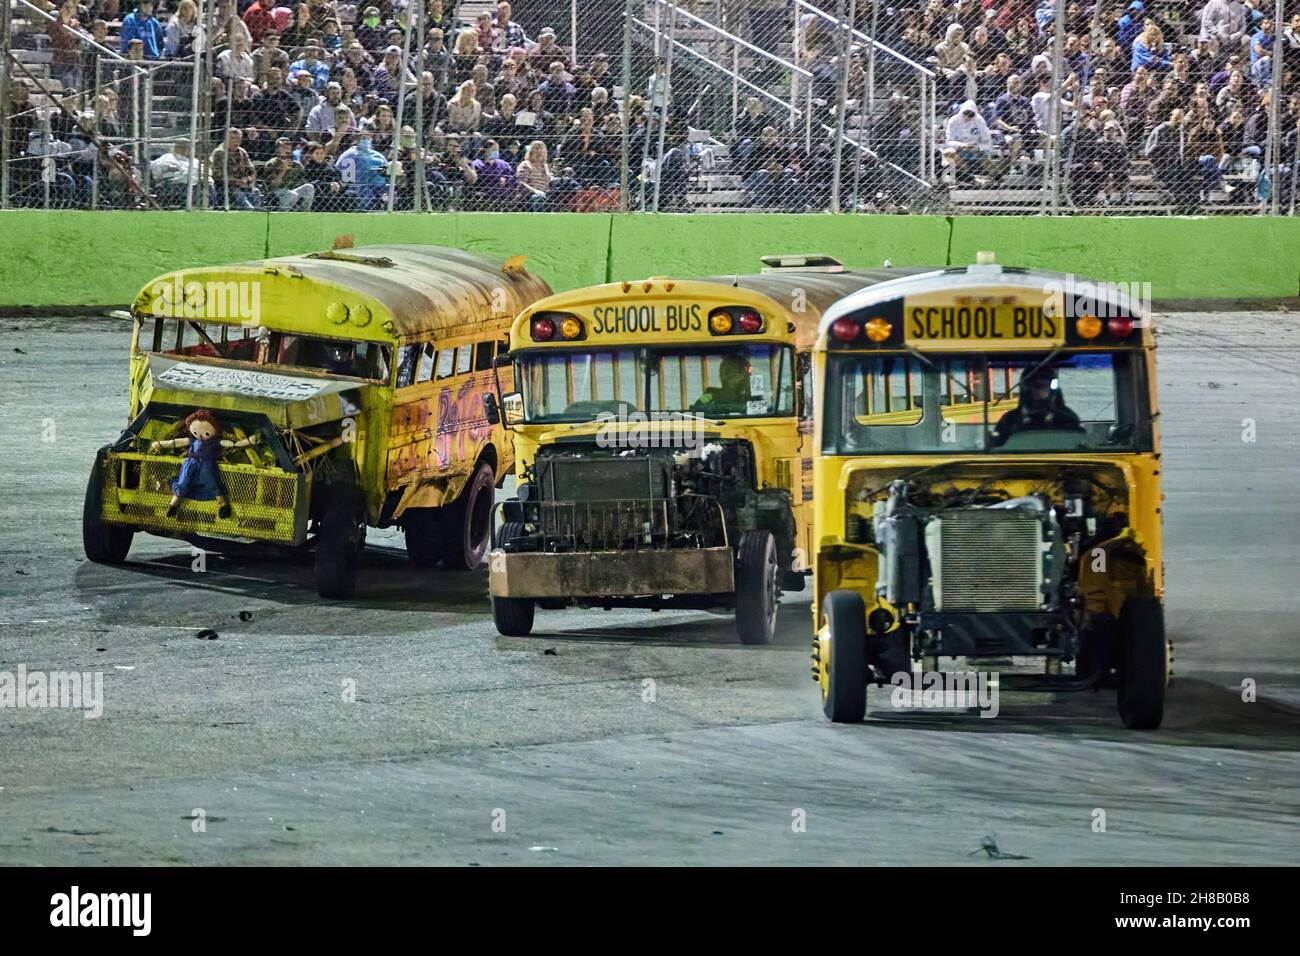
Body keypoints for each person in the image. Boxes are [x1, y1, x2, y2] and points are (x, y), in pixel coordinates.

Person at [989, 367, 1083, 446]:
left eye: (1046, 385)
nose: (1043, 390)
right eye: (1037, 385)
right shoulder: (1010, 420)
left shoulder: (1067, 418)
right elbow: (996, 447)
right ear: (1026, 388)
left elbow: (1078, 442)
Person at [264, 137, 315, 210]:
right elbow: (272, 186)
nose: (287, 147)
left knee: (309, 187)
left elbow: (303, 181)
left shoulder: (296, 164)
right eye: (283, 146)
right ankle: (283, 213)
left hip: (292, 190)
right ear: (278, 149)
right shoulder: (272, 163)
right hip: (277, 192)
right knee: (292, 195)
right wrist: (283, 170)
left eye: (288, 144)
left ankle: (304, 212)